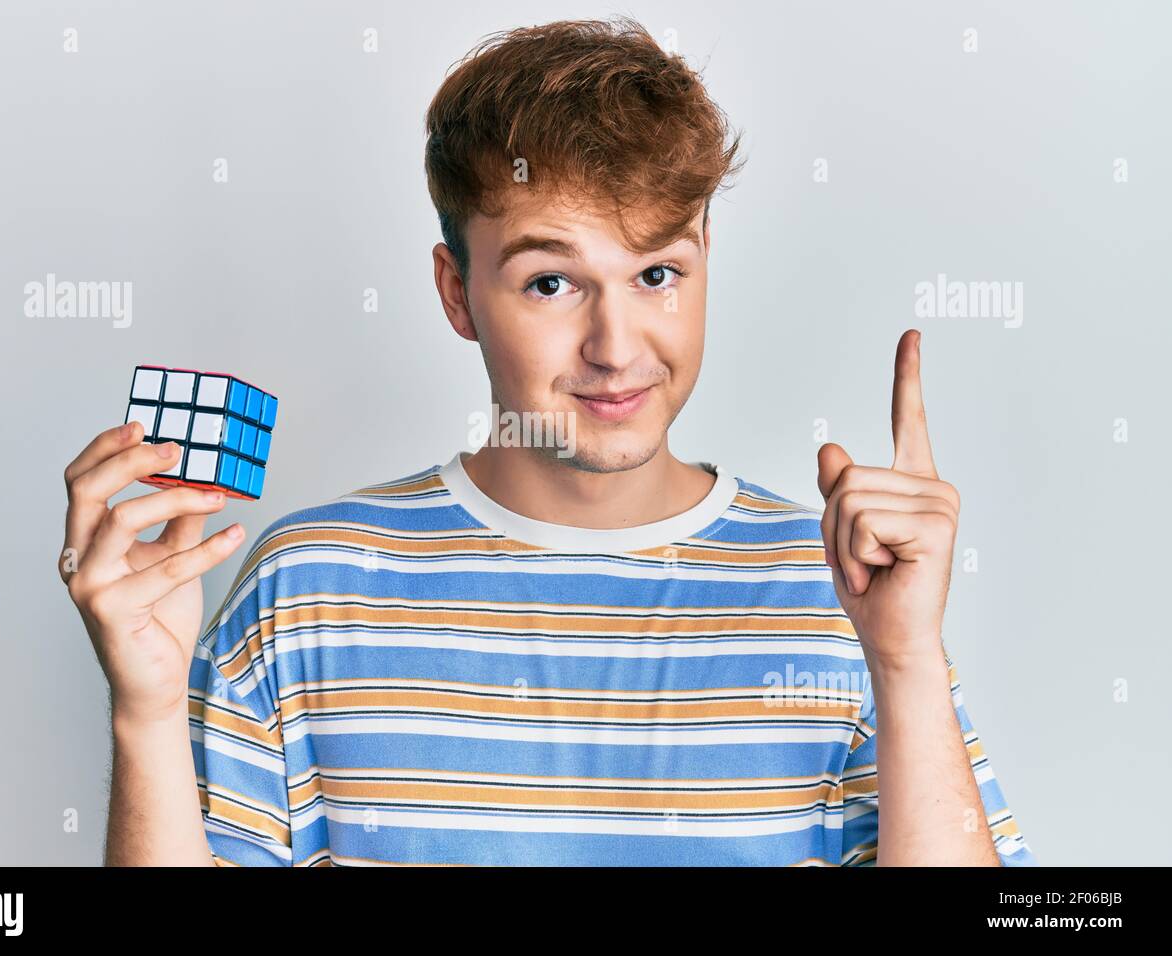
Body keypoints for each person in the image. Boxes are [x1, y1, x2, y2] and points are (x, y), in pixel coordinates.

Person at [59, 17, 1035, 866]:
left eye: (656, 274)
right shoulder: (305, 589)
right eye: (551, 283)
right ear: (457, 293)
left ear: (705, 262)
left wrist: (905, 662)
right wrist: (146, 715)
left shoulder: (844, 593)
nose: (615, 348)